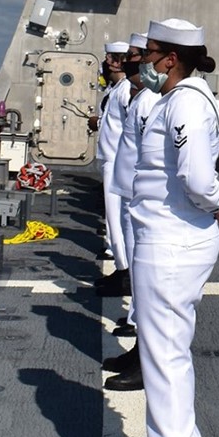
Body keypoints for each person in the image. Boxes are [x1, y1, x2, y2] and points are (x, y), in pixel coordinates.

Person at [109, 17, 219, 437]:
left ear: (171, 59)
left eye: (151, 53)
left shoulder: (182, 102)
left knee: (164, 361)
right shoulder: (185, 97)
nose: (143, 60)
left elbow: (196, 177)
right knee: (165, 356)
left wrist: (218, 200)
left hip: (172, 243)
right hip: (171, 238)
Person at [102, 32, 148, 355]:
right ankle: (134, 317)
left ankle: (137, 325)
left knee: (134, 249)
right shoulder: (128, 94)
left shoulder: (140, 99)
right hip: (122, 175)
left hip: (134, 184)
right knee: (126, 239)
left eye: (134, 55)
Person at [92, 41, 132, 296]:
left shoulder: (126, 90)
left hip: (119, 162)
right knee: (114, 220)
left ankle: (125, 273)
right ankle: (121, 269)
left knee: (119, 221)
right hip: (111, 160)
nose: (108, 61)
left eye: (112, 58)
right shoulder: (117, 89)